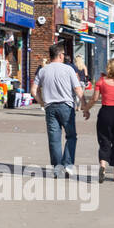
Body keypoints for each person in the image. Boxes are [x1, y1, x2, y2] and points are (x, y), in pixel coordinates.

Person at [32, 43, 82, 176]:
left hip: (50, 108)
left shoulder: (43, 70)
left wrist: (42, 102)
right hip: (66, 106)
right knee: (71, 136)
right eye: (64, 54)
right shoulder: (68, 69)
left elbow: (33, 90)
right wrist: (85, 105)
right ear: (60, 55)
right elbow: (77, 89)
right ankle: (68, 164)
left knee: (54, 139)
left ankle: (57, 168)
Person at [82, 58, 114, 183]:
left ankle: (103, 165)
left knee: (104, 140)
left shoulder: (101, 81)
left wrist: (86, 109)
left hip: (105, 113)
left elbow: (94, 99)